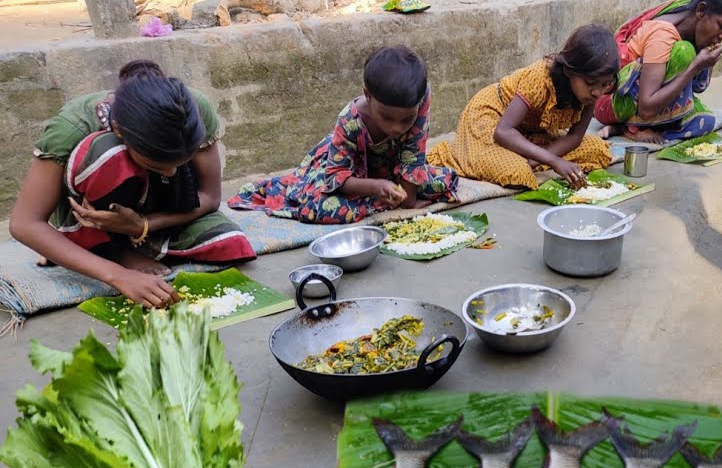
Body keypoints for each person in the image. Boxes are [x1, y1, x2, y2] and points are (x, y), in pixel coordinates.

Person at [10, 60, 255, 309]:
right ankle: (111, 250)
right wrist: (118, 276)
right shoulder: (73, 126)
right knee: (106, 153)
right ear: (118, 129)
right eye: (157, 164)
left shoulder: (192, 110)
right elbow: (24, 224)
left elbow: (210, 197)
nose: (171, 172)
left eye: (180, 163)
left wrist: (142, 225)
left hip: (160, 208)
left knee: (229, 241)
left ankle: (141, 243)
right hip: (92, 219)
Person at [229, 45, 458, 224]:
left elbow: (414, 155)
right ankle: (379, 196)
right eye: (387, 118)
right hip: (351, 171)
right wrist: (374, 187)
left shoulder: (420, 97)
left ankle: (383, 197)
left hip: (392, 166)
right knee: (316, 208)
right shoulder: (350, 121)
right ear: (368, 96)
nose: (397, 128)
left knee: (444, 183)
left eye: (406, 119)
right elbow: (336, 176)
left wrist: (407, 201)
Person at [428, 23, 619, 190]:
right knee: (517, 173)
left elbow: (575, 137)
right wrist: (553, 160)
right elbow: (503, 131)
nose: (597, 92)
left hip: (530, 132)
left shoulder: (591, 93)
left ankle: (525, 154)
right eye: (591, 83)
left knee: (598, 149)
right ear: (570, 71)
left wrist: (537, 159)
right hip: (493, 119)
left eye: (604, 85)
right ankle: (456, 152)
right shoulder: (540, 77)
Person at [593, 0, 722, 143]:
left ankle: (646, 127)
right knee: (684, 52)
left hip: (648, 98)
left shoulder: (690, 15)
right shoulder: (663, 35)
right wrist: (694, 67)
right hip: (615, 102)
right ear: (701, 11)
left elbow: (696, 87)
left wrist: (705, 63)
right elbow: (646, 107)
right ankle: (626, 129)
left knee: (705, 122)